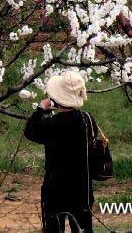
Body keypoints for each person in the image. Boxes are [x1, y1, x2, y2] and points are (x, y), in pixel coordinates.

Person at [24, 70, 98, 233]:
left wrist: (41, 110)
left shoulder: (52, 124)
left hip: (55, 188)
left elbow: (30, 131)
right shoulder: (87, 119)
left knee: (54, 228)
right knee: (83, 229)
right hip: (82, 187)